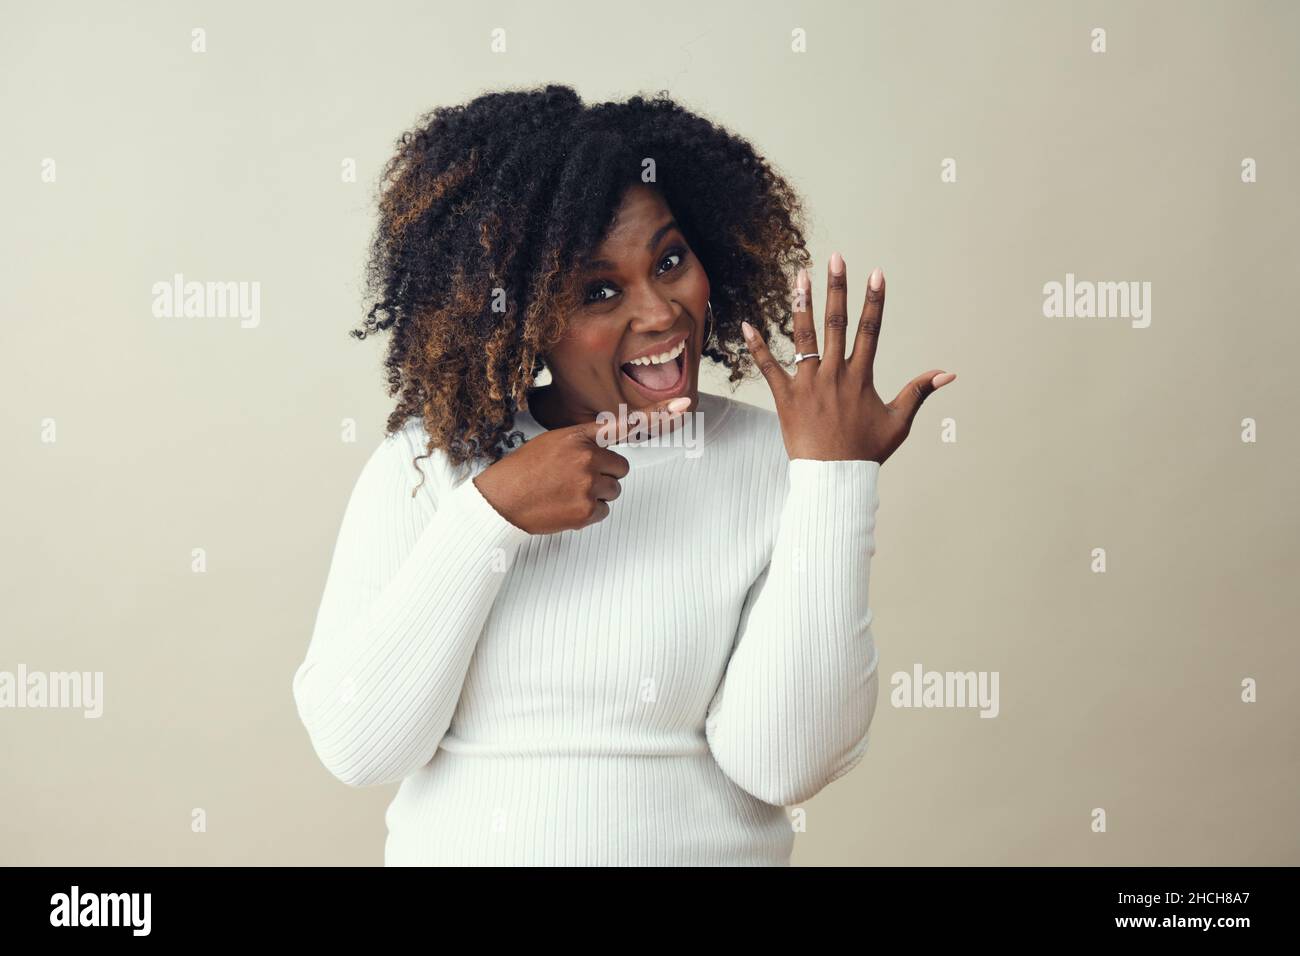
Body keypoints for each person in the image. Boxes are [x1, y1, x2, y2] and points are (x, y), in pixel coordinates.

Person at [291, 84, 955, 865]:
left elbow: (783, 761)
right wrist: (487, 515)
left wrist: (835, 482)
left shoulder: (777, 462)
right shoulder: (431, 461)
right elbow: (358, 746)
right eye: (598, 291)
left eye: (670, 260)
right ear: (516, 315)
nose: (662, 313)